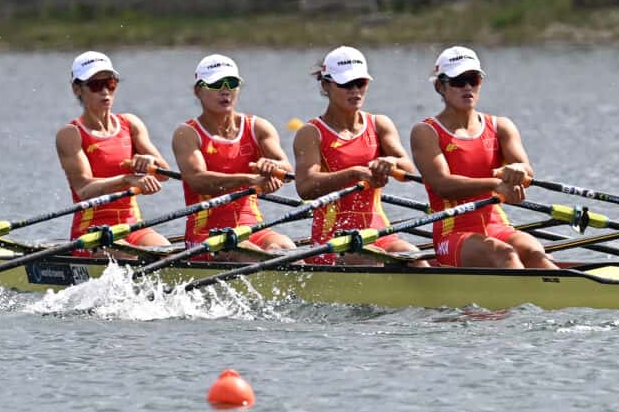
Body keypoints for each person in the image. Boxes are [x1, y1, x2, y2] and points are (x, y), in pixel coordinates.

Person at [409, 46, 556, 270]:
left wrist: (517, 171)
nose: (467, 87)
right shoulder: (425, 132)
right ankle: (519, 305)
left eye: (473, 79)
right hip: (453, 233)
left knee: (536, 253)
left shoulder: (501, 127)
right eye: (459, 81)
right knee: (506, 256)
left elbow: (526, 170)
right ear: (440, 86)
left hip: (498, 225)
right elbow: (443, 185)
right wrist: (498, 184)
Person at [293, 46, 427, 266]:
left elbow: (407, 168)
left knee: (416, 258)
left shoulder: (379, 124)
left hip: (379, 231)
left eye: (360, 83)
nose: (354, 90)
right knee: (370, 259)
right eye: (346, 84)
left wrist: (390, 162)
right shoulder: (311, 133)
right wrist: (354, 173)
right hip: (333, 238)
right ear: (325, 85)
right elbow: (305, 187)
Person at [172, 54, 295, 261]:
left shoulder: (258, 127)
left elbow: (286, 170)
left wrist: (272, 167)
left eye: (232, 83)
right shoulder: (187, 134)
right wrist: (250, 180)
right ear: (198, 91)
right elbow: (198, 180)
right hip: (206, 234)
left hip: (252, 226)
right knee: (249, 253)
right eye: (217, 84)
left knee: (286, 248)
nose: (225, 90)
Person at [55, 51, 171, 254]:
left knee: (165, 252)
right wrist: (128, 180)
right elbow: (84, 190)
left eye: (110, 84)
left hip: (133, 226)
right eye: (95, 85)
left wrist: (150, 162)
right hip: (91, 230)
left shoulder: (131, 123)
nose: (105, 92)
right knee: (128, 255)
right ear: (77, 89)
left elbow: (164, 174)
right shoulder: (70, 134)